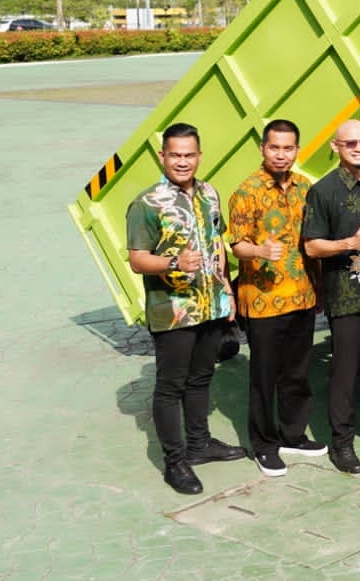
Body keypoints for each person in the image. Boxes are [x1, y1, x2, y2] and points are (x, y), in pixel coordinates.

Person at [125, 122, 245, 494]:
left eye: (188, 155)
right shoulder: (147, 203)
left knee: (201, 378)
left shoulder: (209, 194)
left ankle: (199, 444)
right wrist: (174, 263)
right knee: (170, 386)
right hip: (173, 310)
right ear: (162, 156)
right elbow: (137, 260)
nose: (182, 162)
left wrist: (226, 291)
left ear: (199, 156)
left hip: (210, 306)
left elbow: (216, 245)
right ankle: (175, 461)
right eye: (174, 155)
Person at [228, 119, 322, 478]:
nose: (281, 155)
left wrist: (319, 289)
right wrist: (259, 251)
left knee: (297, 372)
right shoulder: (247, 191)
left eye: (288, 148)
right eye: (274, 148)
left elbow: (311, 243)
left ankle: (293, 435)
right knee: (264, 376)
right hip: (263, 300)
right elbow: (236, 244)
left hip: (301, 296)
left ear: (297, 150)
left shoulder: (305, 188)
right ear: (263, 148)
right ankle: (264, 445)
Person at [301, 119, 360, 475]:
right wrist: (349, 244)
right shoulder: (324, 191)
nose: (358, 147)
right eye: (351, 143)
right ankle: (342, 441)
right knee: (345, 369)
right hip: (346, 294)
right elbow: (312, 246)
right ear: (335, 146)